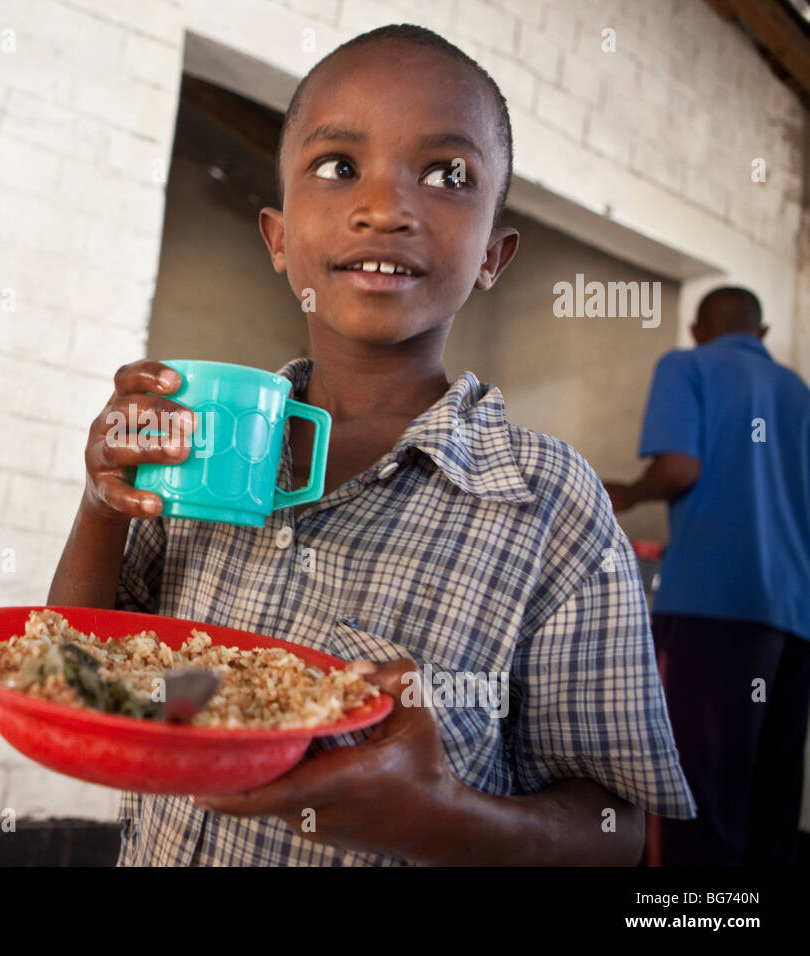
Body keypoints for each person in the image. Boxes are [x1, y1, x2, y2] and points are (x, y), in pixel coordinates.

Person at [49, 24, 696, 866]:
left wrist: (445, 818)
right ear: (278, 239)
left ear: (494, 255)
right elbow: (76, 672)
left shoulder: (547, 501)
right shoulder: (205, 447)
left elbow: (612, 832)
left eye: (447, 174)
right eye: (338, 166)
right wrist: (104, 504)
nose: (386, 207)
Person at [603, 287, 810, 866]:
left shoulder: (685, 365)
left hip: (713, 609)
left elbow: (678, 468)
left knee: (693, 784)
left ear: (695, 330)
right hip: (796, 618)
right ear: (762, 334)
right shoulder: (800, 392)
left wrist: (629, 492)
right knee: (770, 790)